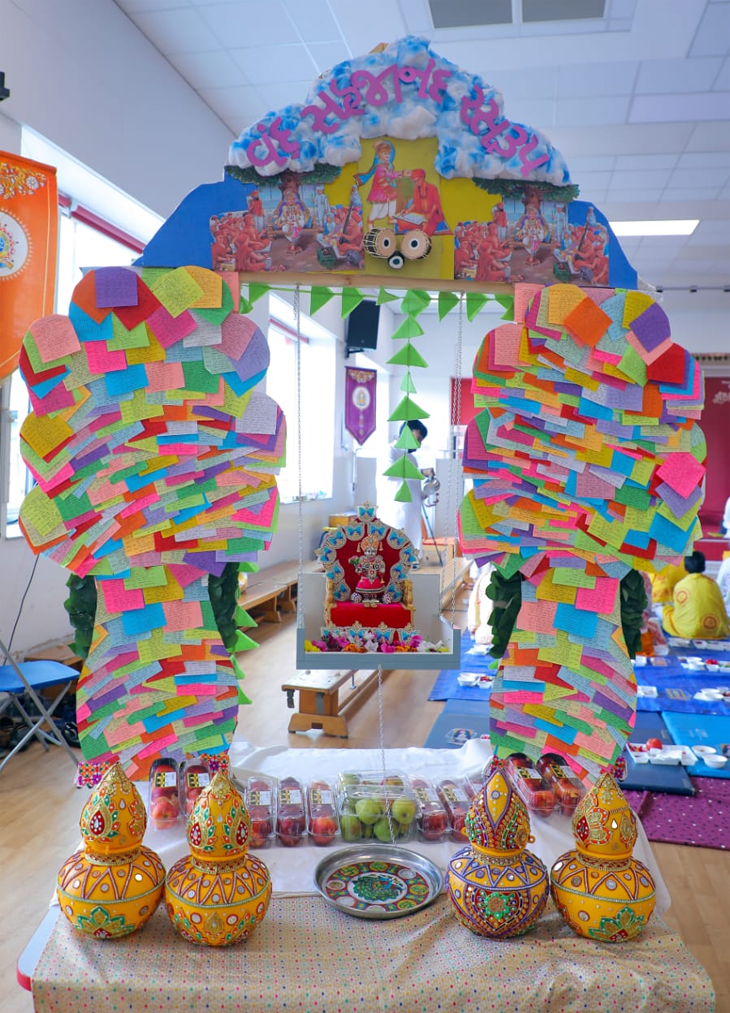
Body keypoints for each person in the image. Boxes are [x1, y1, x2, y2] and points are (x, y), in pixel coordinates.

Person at [376, 420, 431, 556]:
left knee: (410, 562)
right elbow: (388, 472)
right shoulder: (389, 450)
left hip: (412, 518)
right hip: (394, 516)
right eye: (417, 439)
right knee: (392, 559)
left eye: (421, 440)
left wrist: (428, 494)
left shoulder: (412, 459)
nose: (419, 444)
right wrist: (421, 472)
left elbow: (414, 490)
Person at [662, 551, 729, 640]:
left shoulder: (681, 585)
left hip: (687, 630)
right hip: (714, 629)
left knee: (665, 610)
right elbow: (721, 608)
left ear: (685, 568)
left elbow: (679, 611)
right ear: (704, 567)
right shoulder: (712, 584)